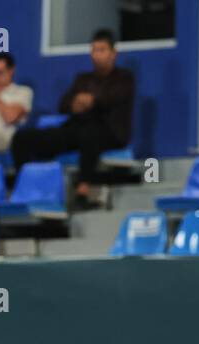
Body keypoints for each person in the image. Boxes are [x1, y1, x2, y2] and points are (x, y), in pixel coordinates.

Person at [10, 29, 135, 209]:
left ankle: (84, 189)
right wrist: (74, 104)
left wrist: (92, 101)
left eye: (102, 50)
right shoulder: (83, 79)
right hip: (76, 128)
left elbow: (113, 98)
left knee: (90, 132)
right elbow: (63, 104)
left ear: (113, 54)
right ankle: (25, 186)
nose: (97, 55)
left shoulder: (124, 77)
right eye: (94, 50)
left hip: (109, 132)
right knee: (22, 138)